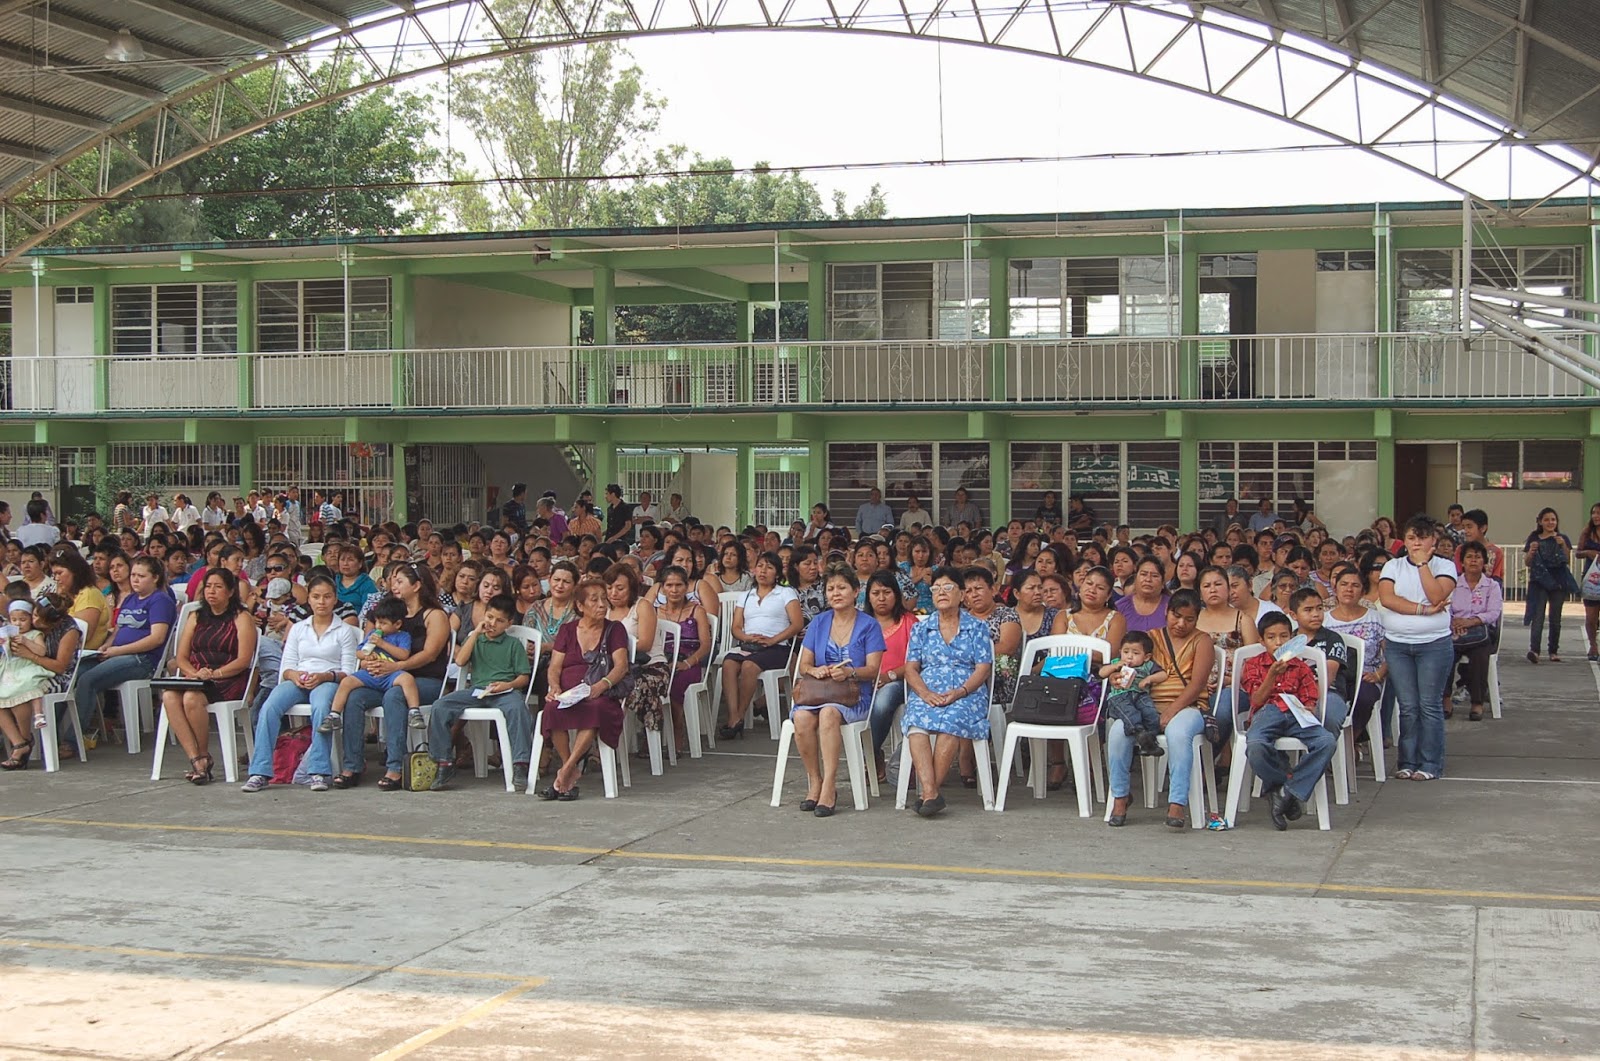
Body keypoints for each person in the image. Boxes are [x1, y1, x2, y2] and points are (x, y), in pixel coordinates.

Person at [240, 574, 361, 793]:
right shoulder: (298, 628)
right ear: (309, 600)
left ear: (335, 599)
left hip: (329, 680)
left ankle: (318, 770)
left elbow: (349, 671)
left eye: (327, 597)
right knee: (269, 707)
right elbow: (286, 665)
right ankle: (260, 770)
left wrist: (325, 676)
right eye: (316, 597)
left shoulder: (343, 630)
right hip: (299, 678)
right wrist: (294, 676)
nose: (321, 602)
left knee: (322, 708)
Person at [1105, 589, 1215, 829]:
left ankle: (1177, 801)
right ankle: (1121, 796)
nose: (1181, 623)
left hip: (1189, 706)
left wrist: (1171, 710)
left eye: (1189, 619)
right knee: (1117, 732)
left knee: (1177, 733)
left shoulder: (1202, 641)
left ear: (1197, 619)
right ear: (1166, 611)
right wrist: (1117, 679)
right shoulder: (1149, 638)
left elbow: (1197, 686)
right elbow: (1129, 667)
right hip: (1145, 704)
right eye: (1176, 616)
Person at [341, 564, 452, 791]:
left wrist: (397, 667)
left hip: (425, 681)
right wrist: (369, 663)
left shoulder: (435, 615)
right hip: (385, 677)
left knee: (394, 696)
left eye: (400, 581)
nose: (394, 585)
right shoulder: (386, 613)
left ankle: (396, 767)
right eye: (393, 581)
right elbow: (368, 646)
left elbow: (430, 655)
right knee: (354, 696)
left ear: (417, 585)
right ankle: (352, 765)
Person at [791, 565, 885, 816]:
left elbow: (873, 669)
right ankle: (815, 781)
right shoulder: (819, 622)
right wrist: (815, 671)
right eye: (830, 589)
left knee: (829, 713)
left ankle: (830, 786)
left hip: (855, 695)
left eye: (842, 587)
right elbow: (804, 664)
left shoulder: (869, 625)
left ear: (856, 591)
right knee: (800, 716)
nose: (836, 593)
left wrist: (850, 672)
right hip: (821, 690)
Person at [901, 566, 994, 818]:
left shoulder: (977, 627)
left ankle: (927, 794)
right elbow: (910, 669)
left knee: (951, 721)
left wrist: (961, 691)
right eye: (936, 588)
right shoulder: (922, 628)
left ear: (962, 594)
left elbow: (983, 669)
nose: (941, 592)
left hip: (967, 693)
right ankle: (931, 793)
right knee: (915, 723)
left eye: (948, 587)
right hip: (927, 690)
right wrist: (924, 693)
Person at [157, 568, 259, 785]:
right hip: (197, 675)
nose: (211, 591)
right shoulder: (196, 616)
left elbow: (244, 660)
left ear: (231, 591)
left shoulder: (241, 617)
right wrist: (194, 673)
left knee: (191, 698)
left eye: (218, 586)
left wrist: (215, 673)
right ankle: (197, 759)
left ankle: (203, 757)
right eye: (208, 586)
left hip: (228, 676)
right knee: (169, 697)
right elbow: (182, 656)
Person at [1241, 610, 1336, 830]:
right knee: (1255, 745)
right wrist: (1272, 675)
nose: (1278, 642)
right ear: (1262, 640)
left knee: (1327, 741)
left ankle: (1285, 791)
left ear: (1291, 639)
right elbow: (1256, 700)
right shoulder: (1254, 664)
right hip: (1268, 710)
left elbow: (1311, 697)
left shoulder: (1300, 666)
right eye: (1272, 637)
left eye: (1284, 636)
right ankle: (1284, 784)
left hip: (1297, 713)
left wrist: (1308, 708)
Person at [428, 593, 533, 790]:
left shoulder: (513, 645)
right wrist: (475, 633)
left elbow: (523, 677)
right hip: (477, 691)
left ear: (508, 624)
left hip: (503, 692)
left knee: (518, 708)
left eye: (500, 621)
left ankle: (520, 763)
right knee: (440, 706)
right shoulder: (476, 639)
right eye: (490, 617)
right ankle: (443, 761)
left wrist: (507, 685)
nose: (493, 623)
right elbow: (460, 661)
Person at [539, 577, 631, 800]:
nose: (602, 604)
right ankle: (569, 769)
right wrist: (554, 687)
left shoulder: (614, 629)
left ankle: (565, 772)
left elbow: (621, 666)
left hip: (601, 694)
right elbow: (554, 667)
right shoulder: (568, 630)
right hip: (570, 694)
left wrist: (600, 686)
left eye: (603, 599)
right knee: (552, 709)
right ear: (580, 606)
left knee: (594, 709)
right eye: (594, 600)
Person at [1380, 514, 1456, 782]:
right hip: (1398, 645)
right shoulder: (1393, 567)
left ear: (1433, 539)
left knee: (1429, 705)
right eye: (1412, 537)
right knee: (1408, 705)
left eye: (1422, 538)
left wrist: (1423, 564)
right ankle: (1407, 761)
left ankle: (1430, 763)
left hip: (1434, 645)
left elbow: (1438, 594)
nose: (1416, 543)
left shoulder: (1445, 565)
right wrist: (1422, 610)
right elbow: (1388, 599)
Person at [717, 552, 803, 737]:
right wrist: (747, 638)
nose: (763, 570)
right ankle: (733, 715)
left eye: (770, 567)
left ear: (778, 574)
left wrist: (774, 639)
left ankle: (738, 717)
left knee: (749, 666)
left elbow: (797, 624)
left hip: (778, 647)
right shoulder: (746, 595)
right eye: (761, 565)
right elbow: (736, 627)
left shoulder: (786, 592)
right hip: (751, 645)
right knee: (729, 663)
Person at [0, 594, 81, 769]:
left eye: (37, 617)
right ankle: (20, 742)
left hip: (56, 675)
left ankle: (23, 743)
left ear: (51, 622)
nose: (33, 619)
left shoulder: (69, 630)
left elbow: (60, 667)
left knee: (21, 692)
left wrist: (30, 655)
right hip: (25, 671)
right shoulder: (29, 630)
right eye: (34, 615)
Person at [320, 596, 419, 734]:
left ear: (397, 624)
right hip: (370, 673)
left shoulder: (402, 636)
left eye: (383, 623)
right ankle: (334, 714)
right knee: (347, 682)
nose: (378, 626)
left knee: (407, 679)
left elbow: (403, 655)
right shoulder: (372, 634)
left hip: (390, 674)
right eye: (377, 622)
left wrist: (382, 644)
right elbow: (359, 652)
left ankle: (414, 711)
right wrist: (367, 655)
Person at [1324, 565, 1386, 746]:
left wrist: (1379, 674)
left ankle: (1350, 743)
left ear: (1363, 590)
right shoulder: (1324, 620)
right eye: (1344, 584)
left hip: (1367, 675)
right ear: (1335, 588)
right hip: (1335, 677)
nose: (1349, 589)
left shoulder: (1375, 617)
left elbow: (1391, 653)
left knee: (1365, 696)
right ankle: (1330, 744)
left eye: (1355, 585)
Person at [864, 569, 915, 780]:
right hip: (864, 680)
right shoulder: (861, 623)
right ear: (868, 596)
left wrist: (889, 676)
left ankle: (869, 754)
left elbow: (917, 661)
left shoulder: (909, 622)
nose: (881, 598)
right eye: (876, 593)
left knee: (883, 700)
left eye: (887, 592)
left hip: (900, 682)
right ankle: (872, 756)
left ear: (896, 594)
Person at [655, 565, 710, 756]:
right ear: (662, 588)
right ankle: (652, 735)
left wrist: (687, 663)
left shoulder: (697, 611)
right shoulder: (656, 612)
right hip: (664, 660)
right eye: (669, 585)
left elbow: (706, 645)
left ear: (686, 587)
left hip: (689, 662)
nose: (674, 590)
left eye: (679, 585)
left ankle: (677, 733)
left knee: (676, 683)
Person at [1449, 541, 1502, 723]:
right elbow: (1444, 607)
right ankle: (1445, 698)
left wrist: (1471, 622)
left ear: (1484, 562)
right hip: (1454, 630)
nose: (1473, 561)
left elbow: (1494, 613)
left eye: (1478, 557)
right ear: (1462, 562)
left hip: (1481, 632)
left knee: (1480, 655)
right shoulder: (1453, 583)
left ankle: (1477, 702)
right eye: (1469, 557)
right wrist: (1454, 622)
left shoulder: (1491, 586)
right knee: (1444, 652)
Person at [1288, 587, 1351, 733]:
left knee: (1329, 716)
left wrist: (1310, 701)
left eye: (1319, 608)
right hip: (1293, 694)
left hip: (1328, 693)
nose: (1316, 614)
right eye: (1308, 610)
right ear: (1293, 615)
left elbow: (1327, 676)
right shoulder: (1289, 640)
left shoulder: (1333, 639)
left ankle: (1324, 752)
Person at [1097, 631, 1165, 756]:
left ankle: (1149, 742)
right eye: (1126, 652)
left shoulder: (1148, 665)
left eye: (1135, 653)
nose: (1129, 657)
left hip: (1140, 695)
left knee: (1151, 714)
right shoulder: (1117, 663)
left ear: (1146, 657)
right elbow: (1101, 673)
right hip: (1120, 696)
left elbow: (1163, 674)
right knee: (1131, 714)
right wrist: (1115, 666)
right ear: (1120, 651)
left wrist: (1149, 679)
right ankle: (1139, 733)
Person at [1524, 507, 1576, 664]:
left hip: (1558, 581)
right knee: (1537, 616)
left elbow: (1566, 559)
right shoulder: (1534, 538)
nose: (1550, 522)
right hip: (1539, 582)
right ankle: (1535, 650)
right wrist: (1532, 551)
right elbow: (1527, 562)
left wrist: (1563, 546)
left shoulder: (1562, 538)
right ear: (1540, 521)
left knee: (1555, 618)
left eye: (1553, 519)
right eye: (1546, 519)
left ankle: (1553, 650)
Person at [1115, 556, 1170, 633]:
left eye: (1154, 576)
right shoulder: (1119, 607)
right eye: (1144, 574)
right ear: (1135, 579)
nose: (1148, 579)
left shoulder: (1172, 607)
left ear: (1163, 583)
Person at [1578, 503, 1600, 661]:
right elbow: (1578, 553)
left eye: (1599, 513)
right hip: (1592, 580)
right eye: (1593, 513)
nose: (1596, 516)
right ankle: (1593, 645)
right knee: (1591, 617)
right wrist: (1588, 552)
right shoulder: (1587, 532)